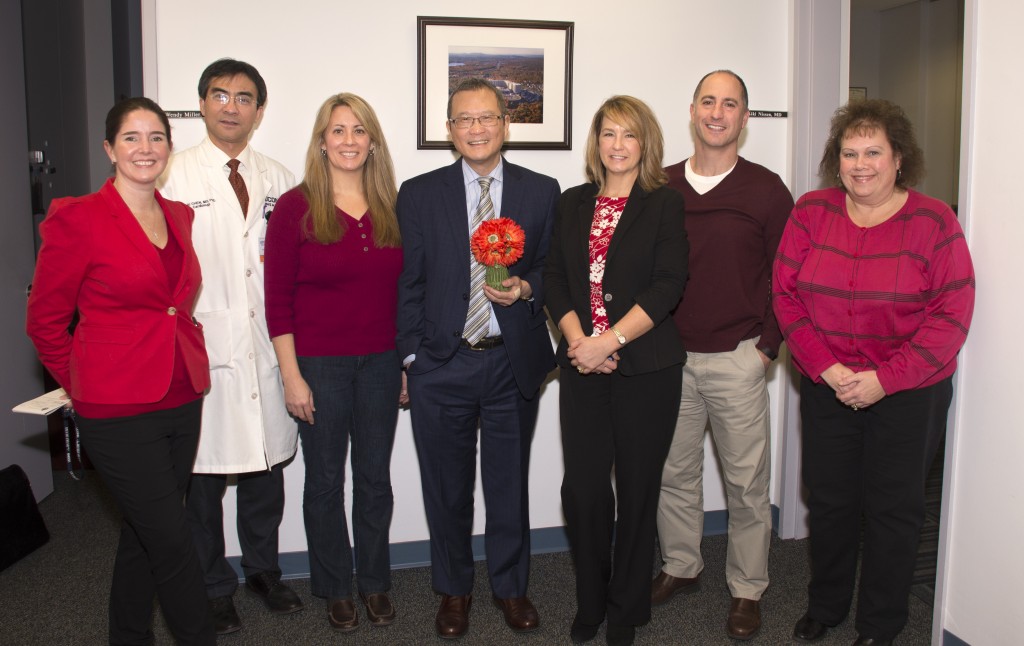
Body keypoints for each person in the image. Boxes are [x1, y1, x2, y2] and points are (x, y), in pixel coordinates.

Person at [773, 99, 975, 646]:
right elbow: (786, 296)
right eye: (849, 152)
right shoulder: (811, 211)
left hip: (908, 394)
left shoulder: (935, 222)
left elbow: (950, 316)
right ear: (836, 162)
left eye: (873, 152)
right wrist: (829, 368)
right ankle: (827, 604)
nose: (861, 164)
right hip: (827, 384)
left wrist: (884, 378)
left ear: (899, 159)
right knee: (832, 502)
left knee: (893, 509)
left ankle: (881, 624)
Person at [26, 97, 214, 645]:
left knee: (147, 533)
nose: (145, 148)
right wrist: (85, 383)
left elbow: (173, 305)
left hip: (182, 393)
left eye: (156, 137)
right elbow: (45, 323)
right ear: (110, 149)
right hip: (116, 409)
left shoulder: (179, 214)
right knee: (175, 542)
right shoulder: (79, 218)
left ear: (169, 148)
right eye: (131, 138)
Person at [396, 77, 559, 640]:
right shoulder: (419, 193)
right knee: (446, 487)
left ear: (505, 125)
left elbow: (549, 271)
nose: (476, 128)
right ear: (449, 129)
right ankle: (454, 590)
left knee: (508, 484)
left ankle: (512, 590)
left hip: (511, 362)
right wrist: (413, 356)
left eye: (486, 117)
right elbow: (408, 283)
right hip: (443, 365)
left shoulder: (543, 191)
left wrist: (526, 289)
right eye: (464, 119)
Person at [159, 58, 302, 635]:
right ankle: (213, 585)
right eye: (220, 95)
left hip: (268, 347)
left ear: (259, 111)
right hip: (203, 347)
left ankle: (264, 571)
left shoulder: (280, 176)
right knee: (204, 478)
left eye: (244, 98)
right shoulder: (172, 174)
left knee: (267, 471)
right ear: (202, 103)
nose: (231, 107)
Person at [653, 70, 793, 640]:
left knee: (746, 484)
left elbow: (788, 277)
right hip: (669, 358)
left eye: (729, 103)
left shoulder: (765, 189)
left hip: (738, 357)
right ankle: (681, 566)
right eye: (708, 101)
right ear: (692, 111)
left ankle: (747, 588)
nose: (717, 112)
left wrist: (766, 348)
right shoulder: (658, 186)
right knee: (674, 474)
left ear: (743, 117)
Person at [544, 95, 688, 646]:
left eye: (629, 135)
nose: (618, 145)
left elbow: (668, 285)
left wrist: (611, 339)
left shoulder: (663, 204)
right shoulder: (573, 202)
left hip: (647, 370)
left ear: (645, 143)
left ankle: (627, 609)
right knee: (582, 490)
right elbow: (555, 277)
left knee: (636, 489)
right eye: (608, 133)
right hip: (583, 366)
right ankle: (590, 599)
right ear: (596, 141)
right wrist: (581, 342)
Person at [265, 92, 404, 633]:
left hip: (381, 362)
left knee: (374, 479)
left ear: (372, 141)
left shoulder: (393, 204)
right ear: (322, 140)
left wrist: (405, 366)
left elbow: (405, 294)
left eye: (359, 130)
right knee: (324, 481)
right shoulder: (296, 207)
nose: (349, 140)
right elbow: (276, 301)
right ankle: (334, 586)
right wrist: (291, 374)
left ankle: (374, 583)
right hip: (318, 366)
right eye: (338, 130)